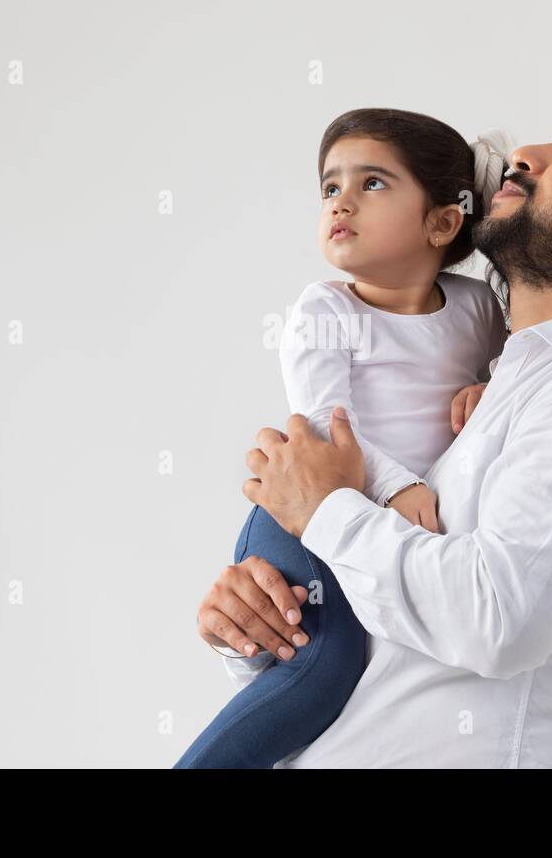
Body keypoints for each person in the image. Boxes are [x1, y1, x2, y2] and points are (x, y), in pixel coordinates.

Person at [204, 82, 552, 767]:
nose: (525, 154)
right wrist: (267, 631)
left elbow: (499, 618)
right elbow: (399, 655)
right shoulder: (494, 388)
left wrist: (325, 512)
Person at [174, 109, 512, 768]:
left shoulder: (477, 309)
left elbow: (520, 366)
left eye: (373, 184)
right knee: (321, 672)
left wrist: (489, 388)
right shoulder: (326, 311)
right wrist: (399, 487)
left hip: (362, 522)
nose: (342, 202)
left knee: (349, 679)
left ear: (442, 222)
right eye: (330, 187)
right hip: (297, 521)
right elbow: (328, 429)